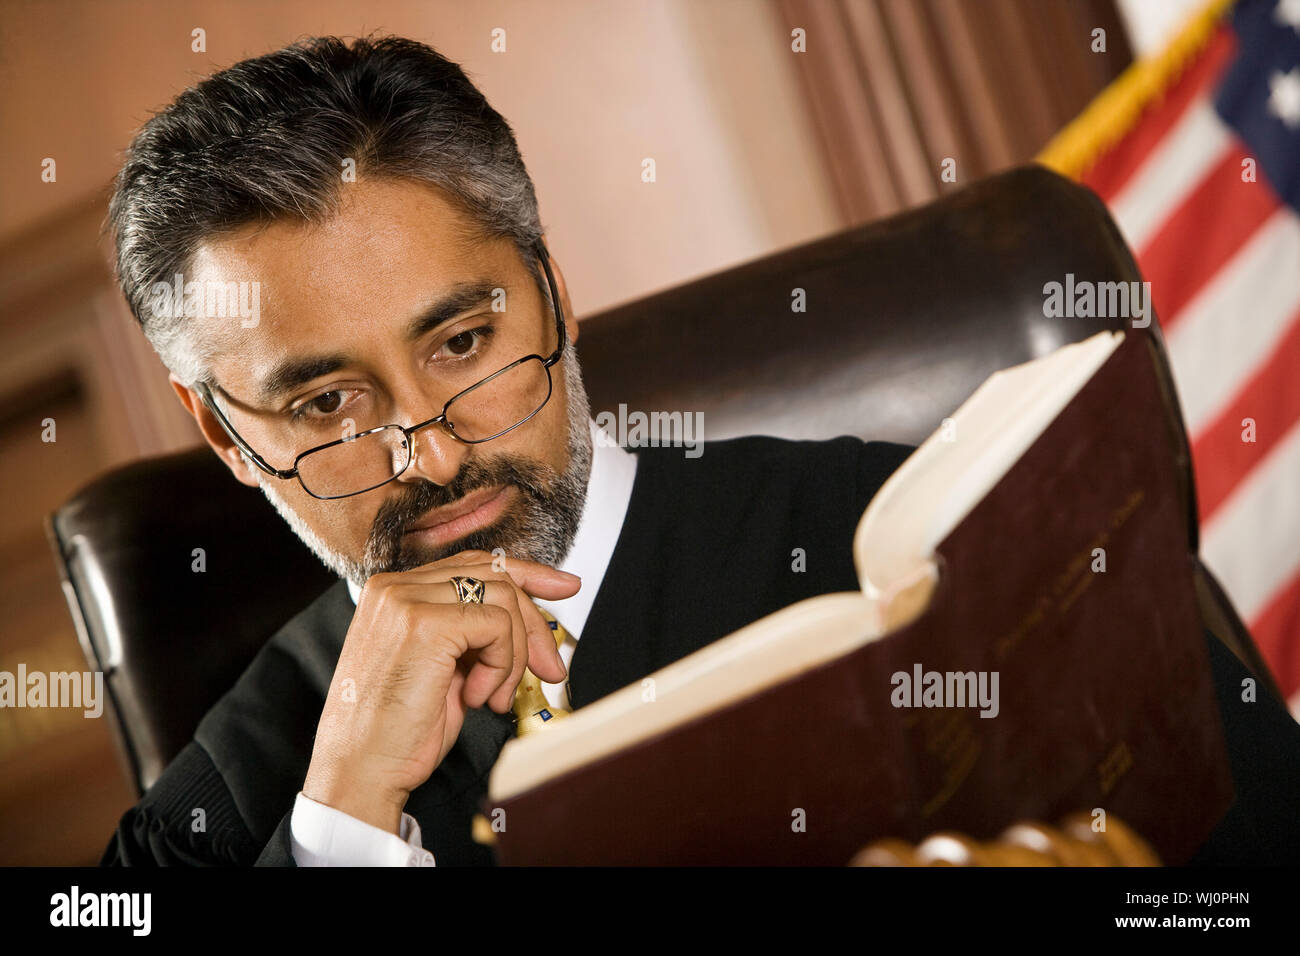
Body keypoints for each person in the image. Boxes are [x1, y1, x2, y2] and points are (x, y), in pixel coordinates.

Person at [101, 36, 1300, 867]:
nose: (427, 458)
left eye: (465, 341)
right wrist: (345, 822)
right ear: (222, 430)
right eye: (324, 408)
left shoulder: (956, 540)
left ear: (552, 291)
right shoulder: (220, 806)